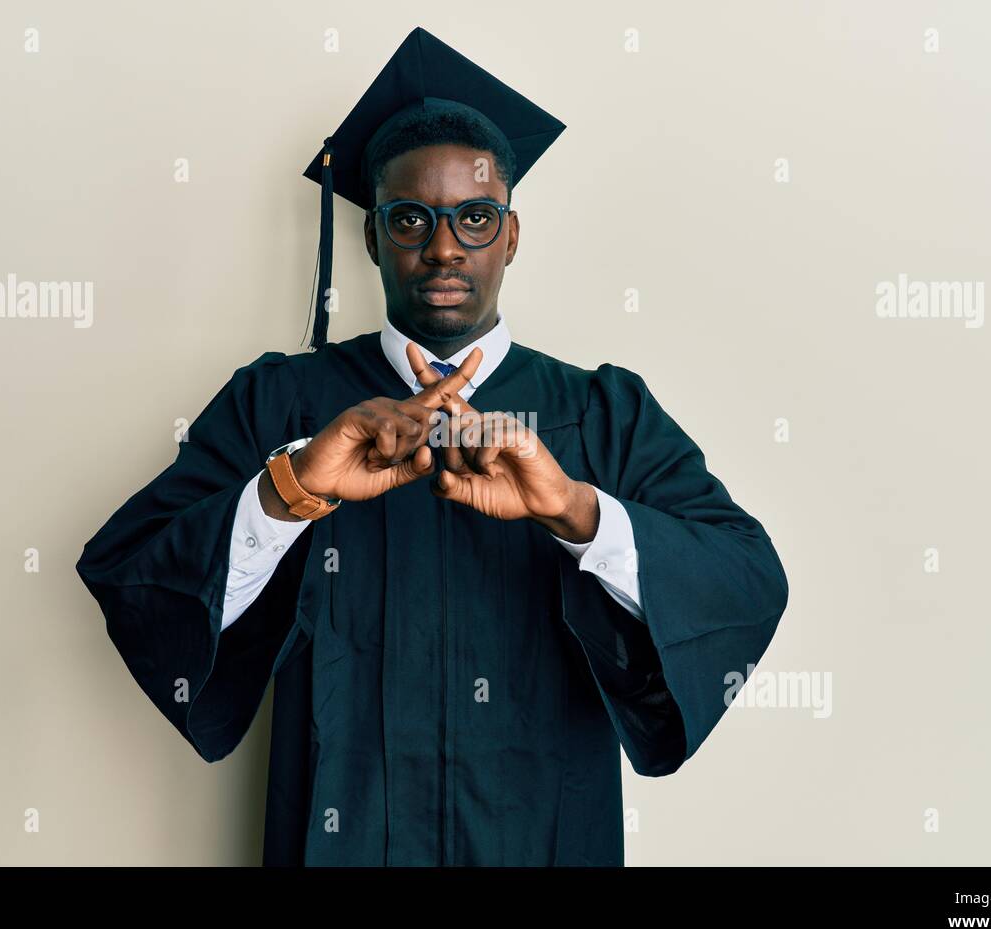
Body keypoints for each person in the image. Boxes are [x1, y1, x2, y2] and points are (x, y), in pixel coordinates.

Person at [75, 26, 789, 866]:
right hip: (343, 831)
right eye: (410, 218)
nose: (444, 246)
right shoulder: (281, 401)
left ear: (511, 237)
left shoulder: (601, 411)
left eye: (475, 218)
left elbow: (746, 578)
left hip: (545, 836)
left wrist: (576, 511)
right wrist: (290, 491)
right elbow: (132, 573)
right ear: (374, 238)